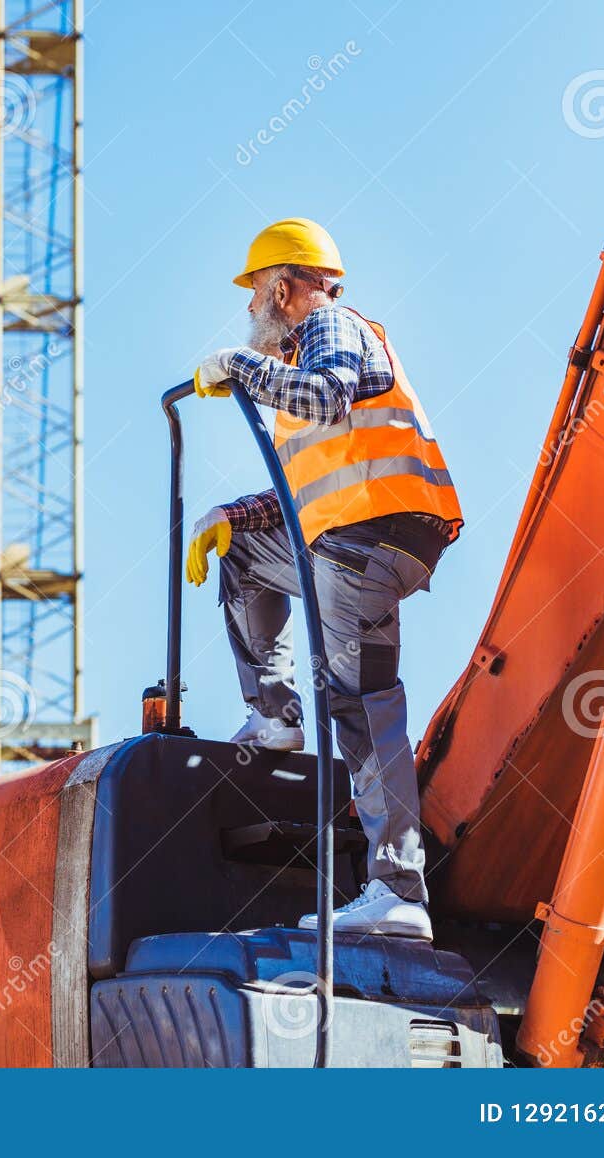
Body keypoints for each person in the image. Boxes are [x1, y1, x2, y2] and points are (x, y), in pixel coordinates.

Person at [187, 217, 463, 938]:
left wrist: (238, 365)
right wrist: (232, 516)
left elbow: (324, 394)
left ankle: (397, 889)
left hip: (366, 537)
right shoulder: (304, 361)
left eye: (254, 291)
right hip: (358, 536)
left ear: (283, 288)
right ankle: (275, 716)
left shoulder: (330, 326)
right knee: (244, 554)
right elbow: (310, 491)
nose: (250, 306)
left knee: (360, 705)